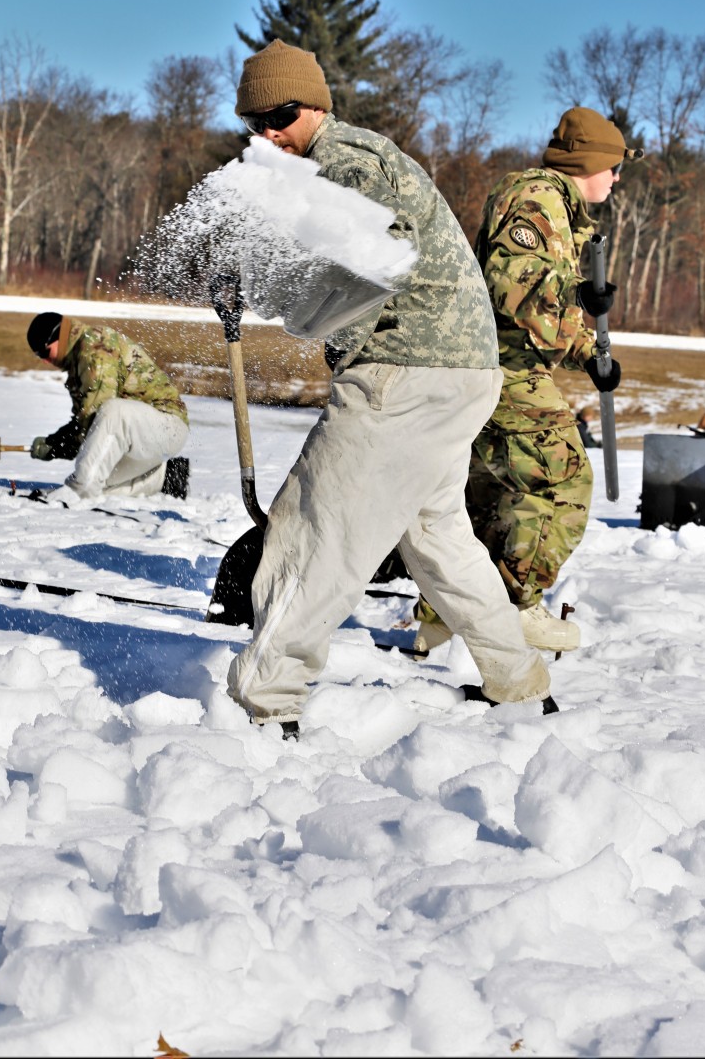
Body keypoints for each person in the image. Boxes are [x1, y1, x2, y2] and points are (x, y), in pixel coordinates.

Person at [225, 38, 555, 738]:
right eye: (255, 123)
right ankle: (520, 684)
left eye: (280, 115)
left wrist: (311, 311)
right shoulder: (343, 166)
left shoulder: (346, 161)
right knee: (437, 537)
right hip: (458, 375)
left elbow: (370, 257)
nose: (269, 134)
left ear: (315, 105)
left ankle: (266, 702)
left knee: (316, 528)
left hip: (405, 375)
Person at [414, 107, 642, 657]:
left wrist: (589, 351)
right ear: (588, 161)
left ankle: (443, 614)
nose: (616, 178)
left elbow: (540, 305)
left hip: (489, 365)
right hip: (503, 371)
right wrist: (577, 295)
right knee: (562, 483)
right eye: (614, 166)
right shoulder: (536, 198)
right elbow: (510, 286)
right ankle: (515, 611)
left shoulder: (554, 205)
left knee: (492, 497)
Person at [26, 312, 190, 503]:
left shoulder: (94, 345)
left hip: (167, 426)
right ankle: (163, 478)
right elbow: (89, 426)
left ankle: (79, 491)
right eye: (40, 357)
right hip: (140, 439)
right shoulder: (77, 364)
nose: (45, 361)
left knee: (112, 414)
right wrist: (54, 444)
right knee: (98, 480)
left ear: (59, 336)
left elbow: (99, 415)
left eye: (45, 352)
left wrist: (60, 446)